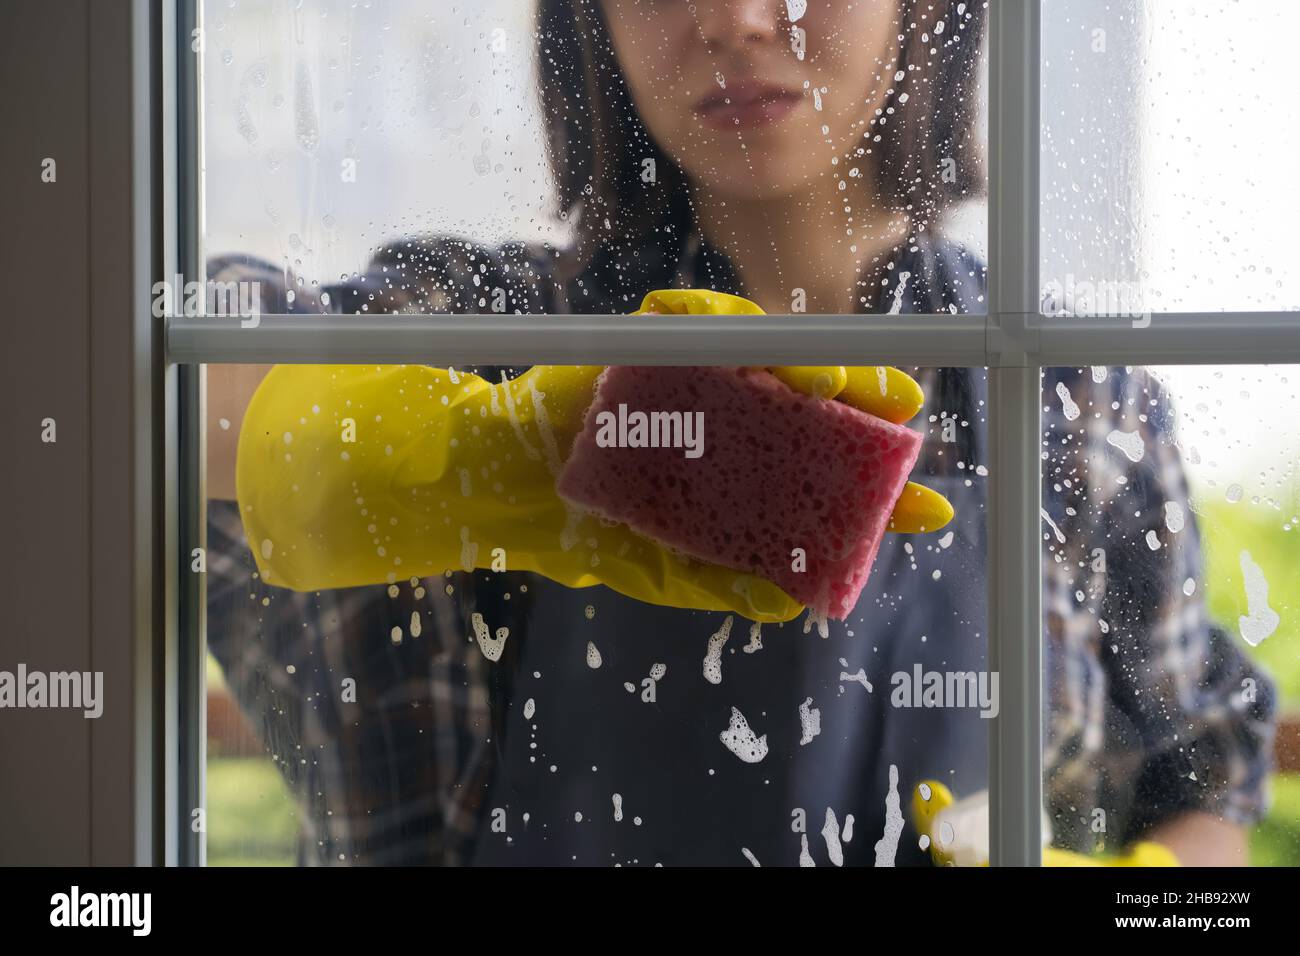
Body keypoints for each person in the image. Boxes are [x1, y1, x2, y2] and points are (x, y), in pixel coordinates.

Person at [206, 0, 1274, 866]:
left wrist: (1151, 885)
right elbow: (148, 377)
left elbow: (1206, 772)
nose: (735, 19)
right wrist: (473, 451)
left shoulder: (1076, 401)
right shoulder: (495, 329)